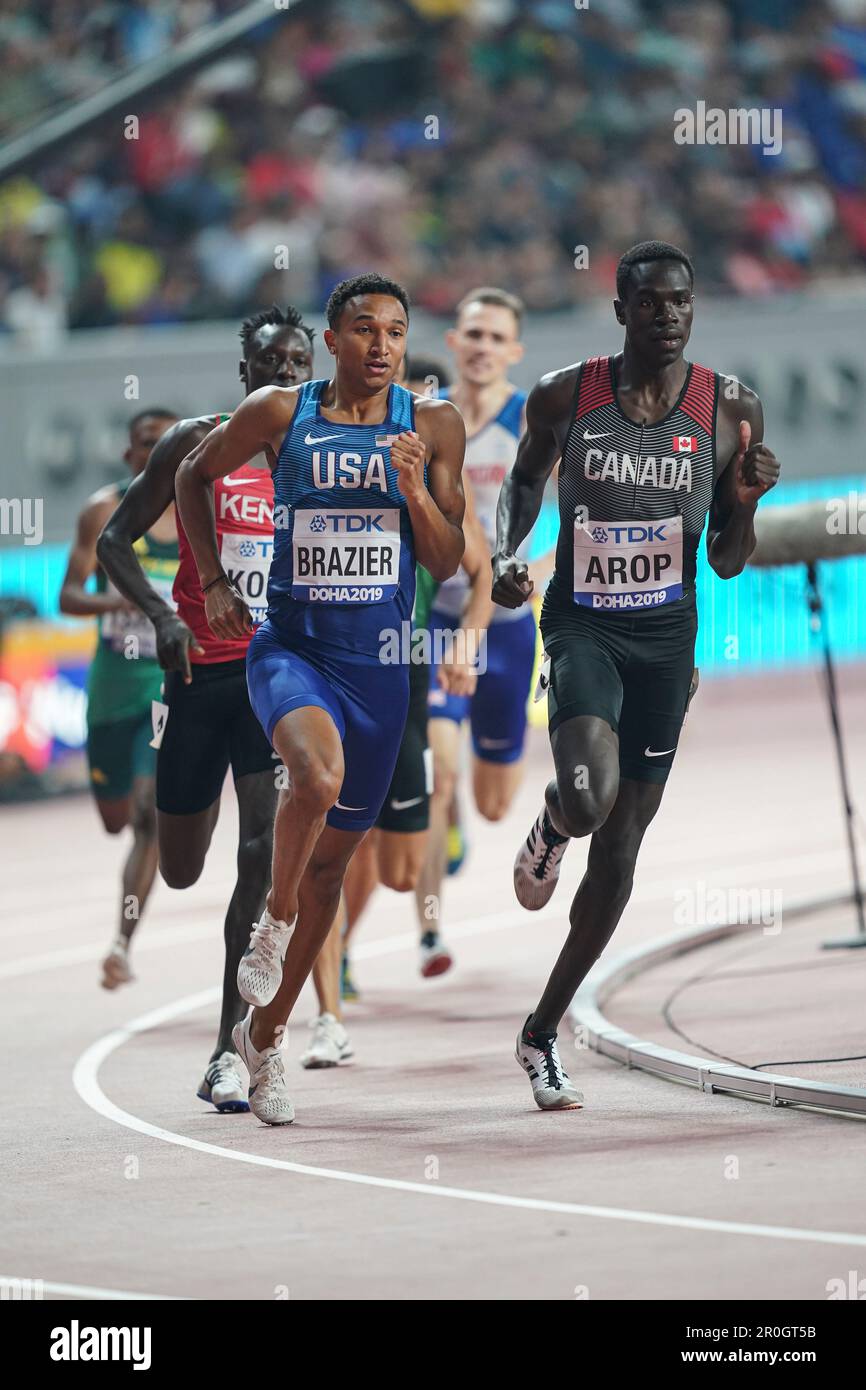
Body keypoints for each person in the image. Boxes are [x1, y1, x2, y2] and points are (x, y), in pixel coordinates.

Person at [175, 272, 467, 1125]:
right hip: (291, 652)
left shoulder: (432, 423)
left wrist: (413, 491)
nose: (382, 345)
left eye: (397, 332)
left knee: (333, 872)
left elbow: (445, 563)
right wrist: (217, 579)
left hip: (380, 669)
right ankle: (269, 920)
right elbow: (194, 476)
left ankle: (263, 1046)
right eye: (365, 329)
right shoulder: (281, 412)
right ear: (332, 341)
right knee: (313, 778)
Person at [494, 241, 780, 1110]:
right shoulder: (566, 395)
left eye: (682, 303)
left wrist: (747, 499)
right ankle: (551, 819)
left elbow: (728, 563)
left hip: (666, 644)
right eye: (651, 303)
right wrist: (511, 552)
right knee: (588, 801)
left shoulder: (729, 408)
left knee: (620, 850)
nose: (668, 316)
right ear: (621, 311)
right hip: (583, 628)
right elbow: (523, 480)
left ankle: (541, 1032)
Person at [96, 305, 330, 1110]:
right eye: (270, 362)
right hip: (199, 675)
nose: (285, 375)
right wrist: (165, 618)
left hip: (282, 675)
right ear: (245, 375)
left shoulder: (327, 454)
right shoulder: (196, 443)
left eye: (298, 362)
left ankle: (229, 1047)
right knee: (184, 864)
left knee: (261, 849)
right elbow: (113, 541)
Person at [340, 356, 492, 994]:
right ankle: (335, 953)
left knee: (443, 776)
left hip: (415, 650)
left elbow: (478, 570)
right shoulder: (341, 465)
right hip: (342, 659)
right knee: (354, 829)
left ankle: (429, 923)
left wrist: (465, 644)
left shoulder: (446, 480)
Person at [414, 288, 552, 976]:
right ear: (453, 340)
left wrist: (536, 573)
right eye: (473, 334)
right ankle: (431, 934)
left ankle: (470, 808)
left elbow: (589, 511)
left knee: (496, 805)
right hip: (434, 619)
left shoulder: (533, 417)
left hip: (507, 627)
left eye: (497, 338)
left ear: (514, 351)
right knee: (438, 774)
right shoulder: (424, 415)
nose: (482, 347)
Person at [60, 408, 179, 991]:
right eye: (147, 445)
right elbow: (67, 596)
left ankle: (121, 943)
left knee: (146, 813)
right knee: (114, 818)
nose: (158, 453)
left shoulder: (200, 513)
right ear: (130, 455)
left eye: (168, 443)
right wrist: (123, 602)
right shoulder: (103, 511)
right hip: (112, 684)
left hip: (165, 683)